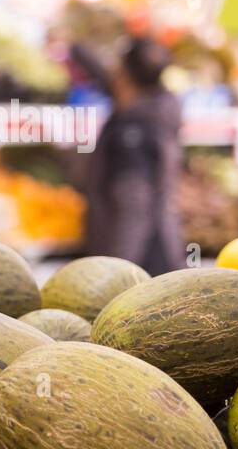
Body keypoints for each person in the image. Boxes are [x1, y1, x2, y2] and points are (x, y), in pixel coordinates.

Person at [73, 37, 184, 274]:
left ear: (123, 73)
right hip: (161, 254)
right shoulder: (155, 108)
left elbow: (133, 209)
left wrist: (114, 274)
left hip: (144, 267)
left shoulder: (133, 133)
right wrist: (74, 45)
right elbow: (105, 79)